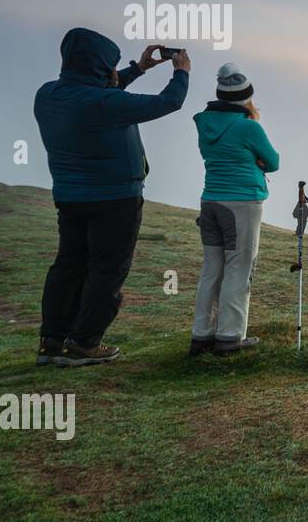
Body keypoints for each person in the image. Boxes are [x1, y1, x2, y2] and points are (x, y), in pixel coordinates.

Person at [34, 28, 191, 366]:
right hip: (116, 199)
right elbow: (170, 102)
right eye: (112, 65)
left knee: (68, 266)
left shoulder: (47, 95)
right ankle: (84, 344)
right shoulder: (107, 103)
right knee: (107, 271)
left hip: (70, 197)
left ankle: (51, 342)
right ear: (101, 67)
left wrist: (139, 68)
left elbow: (95, 91)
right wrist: (181, 71)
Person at [190, 63, 279, 356]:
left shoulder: (204, 121)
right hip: (242, 202)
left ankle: (202, 335)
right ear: (246, 97)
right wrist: (256, 160)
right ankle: (229, 336)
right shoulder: (248, 126)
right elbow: (274, 162)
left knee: (212, 268)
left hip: (211, 200)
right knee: (239, 268)